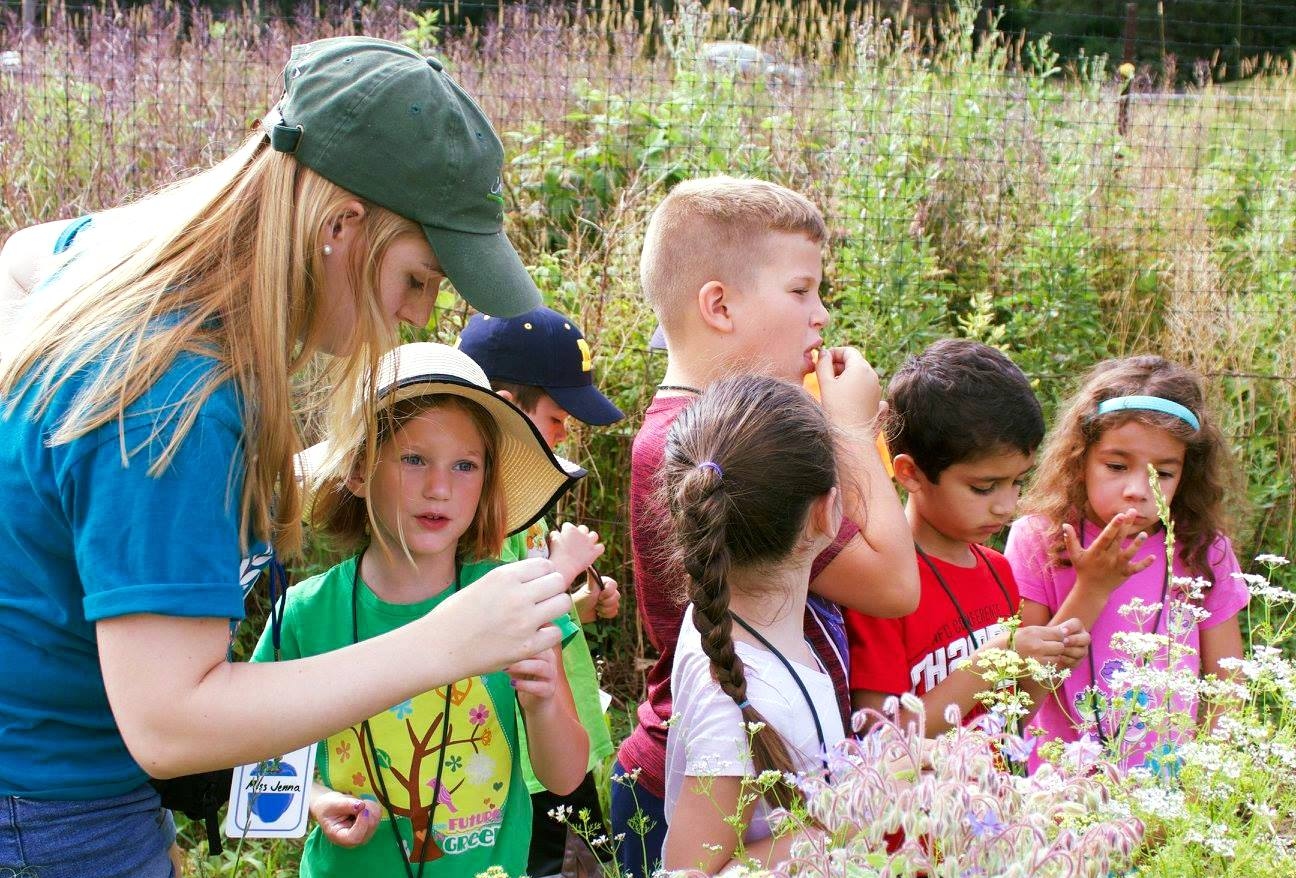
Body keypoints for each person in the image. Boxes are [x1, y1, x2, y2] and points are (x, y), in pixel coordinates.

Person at [0, 36, 575, 878]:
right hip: (56, 809)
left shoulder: (115, 268)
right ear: (338, 228)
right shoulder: (176, 395)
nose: (417, 316)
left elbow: (20, 258)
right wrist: (446, 643)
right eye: (415, 279)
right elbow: (169, 725)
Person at [611, 176, 920, 878]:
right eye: (801, 290)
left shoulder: (718, 430)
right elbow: (897, 585)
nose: (821, 313)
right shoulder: (714, 453)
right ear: (719, 305)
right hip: (710, 785)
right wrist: (851, 426)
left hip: (766, 762)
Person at [254, 342, 591, 877]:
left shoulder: (517, 600)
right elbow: (259, 772)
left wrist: (543, 701)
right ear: (360, 470)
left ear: (485, 485)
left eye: (465, 466)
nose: (439, 488)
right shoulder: (301, 617)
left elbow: (565, 776)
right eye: (414, 459)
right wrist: (315, 801)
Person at [1006, 355, 1249, 769]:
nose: (1138, 489)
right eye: (1116, 466)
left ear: (1186, 474)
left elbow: (1226, 687)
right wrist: (1091, 587)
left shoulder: (1203, 549)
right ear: (1080, 458)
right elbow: (1022, 695)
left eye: (1164, 474)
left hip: (1168, 801)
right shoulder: (1039, 540)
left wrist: (1199, 791)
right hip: (1060, 797)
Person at [846, 340, 1090, 735]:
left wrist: (1045, 665)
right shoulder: (882, 588)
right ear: (909, 473)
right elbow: (882, 736)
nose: (1006, 506)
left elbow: (1009, 725)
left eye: (1017, 482)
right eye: (984, 487)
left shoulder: (999, 571)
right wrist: (992, 661)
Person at [458, 306, 623, 877]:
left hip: (559, 744)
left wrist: (578, 601)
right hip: (523, 764)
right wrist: (560, 571)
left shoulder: (517, 505)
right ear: (506, 411)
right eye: (556, 418)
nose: (564, 433)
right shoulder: (468, 516)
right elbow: (488, 624)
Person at [660, 375, 846, 873]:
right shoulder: (734, 702)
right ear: (827, 512)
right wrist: (844, 817)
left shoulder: (721, 618)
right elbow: (689, 872)